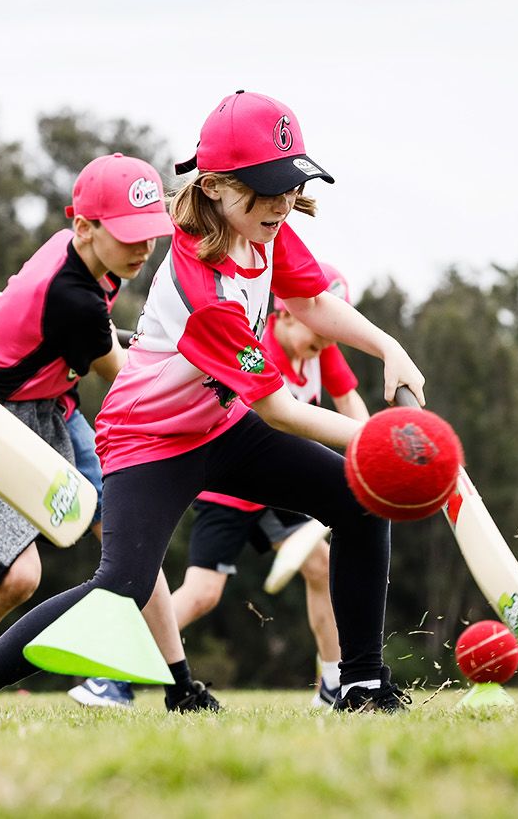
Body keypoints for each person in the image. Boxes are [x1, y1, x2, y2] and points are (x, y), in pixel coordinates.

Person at [0, 90, 427, 716]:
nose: (282, 204)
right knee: (120, 586)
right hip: (149, 442)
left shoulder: (265, 234)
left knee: (358, 503)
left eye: (290, 187)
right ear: (216, 186)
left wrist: (388, 347)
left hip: (222, 427)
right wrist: (383, 443)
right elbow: (278, 408)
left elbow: (309, 301)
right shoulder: (207, 289)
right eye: (265, 190)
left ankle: (361, 684)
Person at [0, 153, 217, 711]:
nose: (143, 250)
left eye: (150, 235)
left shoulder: (90, 261)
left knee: (133, 542)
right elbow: (129, 381)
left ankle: (180, 686)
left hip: (53, 403)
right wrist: (204, 379)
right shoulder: (72, 297)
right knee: (21, 578)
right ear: (84, 227)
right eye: (128, 236)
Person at [170, 263, 364, 706]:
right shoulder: (257, 351)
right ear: (287, 313)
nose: (326, 342)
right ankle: (115, 671)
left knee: (321, 565)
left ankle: (334, 684)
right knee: (201, 595)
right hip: (230, 484)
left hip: (281, 478)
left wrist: (372, 448)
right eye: (318, 328)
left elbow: (350, 402)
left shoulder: (321, 350)